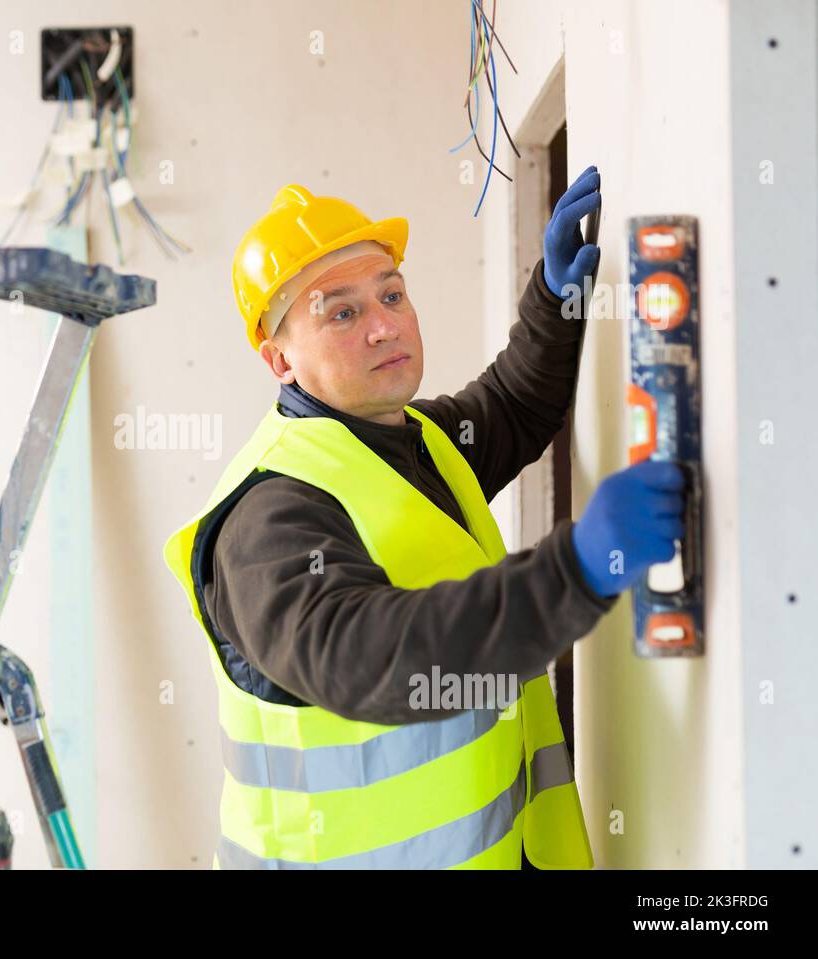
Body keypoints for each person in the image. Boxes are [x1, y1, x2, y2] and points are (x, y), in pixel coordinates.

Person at [162, 168, 685, 869]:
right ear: (279, 358)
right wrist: (575, 569)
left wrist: (554, 297)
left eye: (391, 294)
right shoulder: (268, 516)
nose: (383, 325)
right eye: (341, 313)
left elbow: (510, 408)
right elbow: (368, 659)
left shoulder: (413, 439)